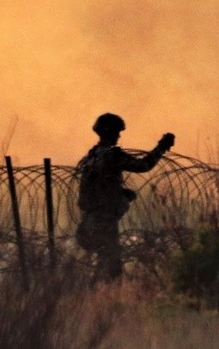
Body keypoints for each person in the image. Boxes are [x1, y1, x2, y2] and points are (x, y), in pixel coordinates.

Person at [75, 113, 175, 279]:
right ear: (111, 132)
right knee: (112, 269)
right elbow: (143, 165)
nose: (119, 136)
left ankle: (95, 291)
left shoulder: (91, 156)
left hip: (89, 221)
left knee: (104, 265)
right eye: (117, 132)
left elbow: (98, 186)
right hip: (104, 220)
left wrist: (121, 193)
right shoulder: (112, 155)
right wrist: (161, 147)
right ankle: (103, 293)